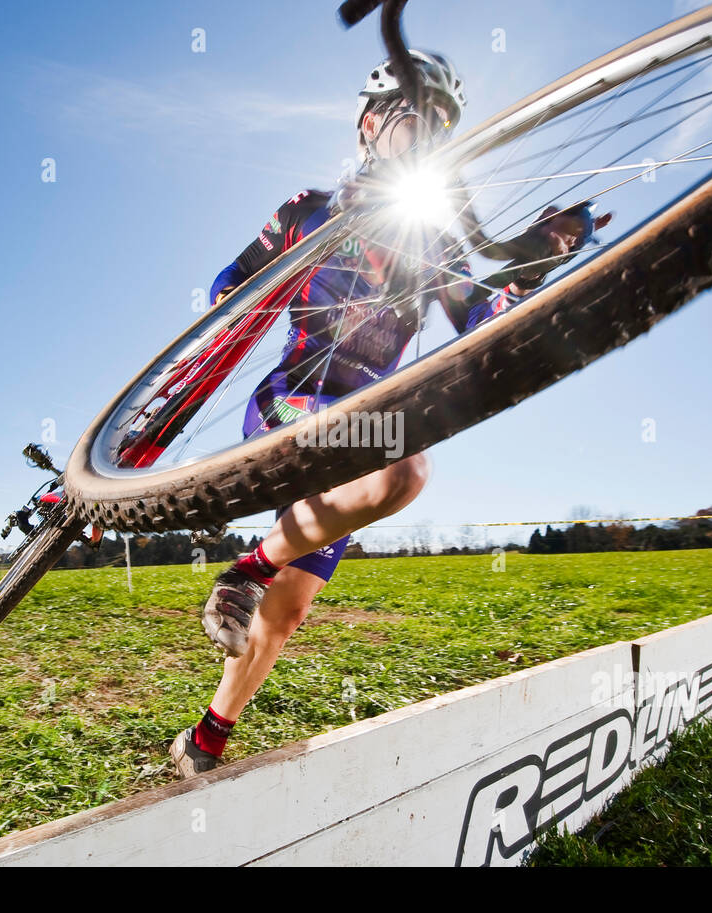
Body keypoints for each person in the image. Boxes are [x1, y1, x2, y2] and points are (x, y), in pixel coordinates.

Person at [171, 51, 610, 778]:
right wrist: (241, 296)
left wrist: (548, 251)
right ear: (371, 123)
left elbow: (482, 315)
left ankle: (207, 738)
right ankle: (244, 571)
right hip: (291, 403)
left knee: (287, 612)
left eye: (444, 123)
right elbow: (229, 283)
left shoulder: (430, 243)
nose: (431, 133)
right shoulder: (310, 209)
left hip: (364, 416)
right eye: (416, 116)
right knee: (404, 469)